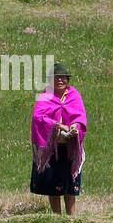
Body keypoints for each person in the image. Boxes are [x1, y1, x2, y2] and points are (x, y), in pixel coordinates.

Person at [30, 62, 87, 215]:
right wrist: (58, 126)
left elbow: (80, 117)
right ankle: (57, 218)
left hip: (69, 148)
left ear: (68, 80)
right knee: (53, 186)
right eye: (56, 78)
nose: (60, 80)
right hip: (52, 149)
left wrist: (75, 127)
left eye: (63, 78)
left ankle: (71, 219)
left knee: (70, 186)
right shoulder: (45, 96)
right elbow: (38, 118)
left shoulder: (74, 96)